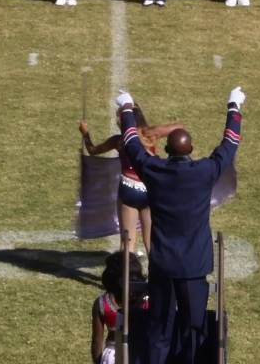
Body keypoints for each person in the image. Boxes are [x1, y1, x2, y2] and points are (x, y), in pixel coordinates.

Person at [117, 85, 243, 364]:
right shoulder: (204, 172)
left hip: (163, 264)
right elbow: (230, 144)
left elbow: (132, 143)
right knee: (192, 328)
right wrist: (234, 107)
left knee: (160, 327)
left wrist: (127, 108)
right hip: (194, 266)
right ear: (192, 149)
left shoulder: (154, 170)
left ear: (166, 149)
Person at [80, 103, 180, 251]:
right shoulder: (149, 134)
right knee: (151, 242)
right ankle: (157, 274)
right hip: (149, 190)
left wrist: (85, 133)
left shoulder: (118, 140)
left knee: (127, 241)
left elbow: (93, 150)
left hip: (128, 189)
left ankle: (127, 273)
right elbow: (179, 127)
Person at [89, 251, 148, 364]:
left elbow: (96, 342)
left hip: (113, 357)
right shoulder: (147, 301)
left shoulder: (102, 303)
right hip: (140, 354)